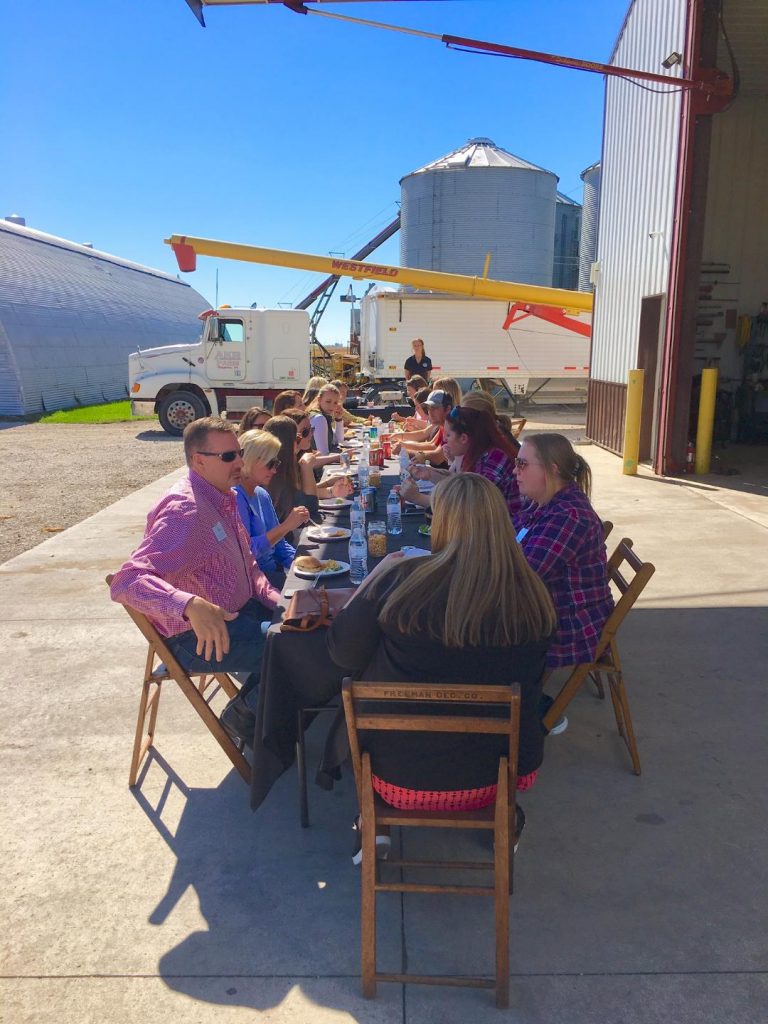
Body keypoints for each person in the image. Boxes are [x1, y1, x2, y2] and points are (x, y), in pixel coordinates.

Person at [328, 474, 556, 854]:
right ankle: (504, 820)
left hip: (396, 774)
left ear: (443, 521)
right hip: (497, 774)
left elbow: (342, 653)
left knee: (362, 679)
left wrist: (376, 576)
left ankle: (374, 819)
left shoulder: (403, 581)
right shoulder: (532, 596)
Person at [109, 417, 280, 744]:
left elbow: (250, 566)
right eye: (228, 457)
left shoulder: (222, 496)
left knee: (309, 630)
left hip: (236, 613)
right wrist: (188, 605)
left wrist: (281, 602)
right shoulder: (186, 511)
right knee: (296, 651)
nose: (240, 463)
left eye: (239, 453)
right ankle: (243, 718)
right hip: (194, 637)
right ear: (198, 461)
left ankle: (267, 713)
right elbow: (127, 581)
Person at [513, 433, 614, 670]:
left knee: (472, 633)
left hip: (566, 627)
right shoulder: (542, 503)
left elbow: (522, 578)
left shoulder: (568, 516)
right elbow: (510, 538)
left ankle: (510, 700)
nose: (515, 471)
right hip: (545, 610)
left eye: (521, 464)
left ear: (553, 469)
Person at [401, 405, 523, 517]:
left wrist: (418, 498)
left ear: (464, 438)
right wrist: (431, 474)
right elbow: (461, 487)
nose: (444, 439)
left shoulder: (492, 461)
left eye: (448, 435)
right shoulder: (480, 453)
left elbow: (467, 508)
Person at [233, 428, 309, 589]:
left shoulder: (261, 494)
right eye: (270, 464)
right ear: (249, 461)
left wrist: (304, 564)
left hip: (273, 573)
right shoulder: (235, 497)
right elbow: (247, 552)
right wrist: (286, 526)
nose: (274, 470)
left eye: (277, 463)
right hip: (255, 582)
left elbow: (280, 546)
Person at [281, 408, 354, 505]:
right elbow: (303, 499)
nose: (311, 434)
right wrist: (330, 491)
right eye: (305, 432)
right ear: (290, 434)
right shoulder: (282, 463)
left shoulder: (297, 455)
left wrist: (328, 483)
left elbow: (304, 491)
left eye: (312, 429)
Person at [261, 415, 320, 528]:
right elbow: (310, 510)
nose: (299, 442)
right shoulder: (274, 472)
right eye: (297, 439)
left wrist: (330, 490)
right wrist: (306, 468)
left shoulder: (284, 466)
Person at [390, 388, 453, 465]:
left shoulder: (452, 427)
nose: (430, 412)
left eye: (435, 407)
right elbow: (432, 445)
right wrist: (403, 445)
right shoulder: (443, 424)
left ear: (448, 409)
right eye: (428, 408)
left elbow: (437, 457)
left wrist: (404, 451)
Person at [307, 383, 345, 456]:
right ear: (319, 399)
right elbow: (323, 453)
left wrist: (339, 419)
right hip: (317, 465)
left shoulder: (323, 416)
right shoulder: (319, 418)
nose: (332, 406)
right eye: (328, 401)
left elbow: (338, 441)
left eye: (335, 403)